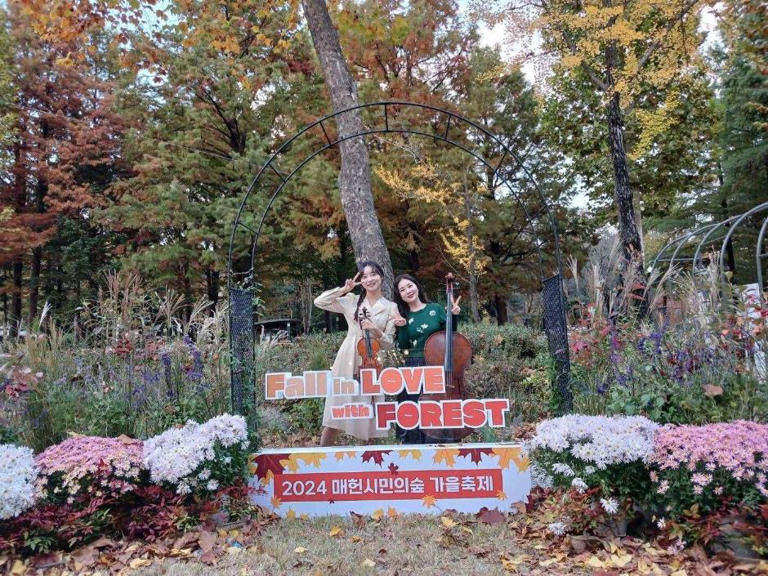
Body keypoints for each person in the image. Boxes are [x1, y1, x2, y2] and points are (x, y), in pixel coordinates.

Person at [314, 261, 398, 446]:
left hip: (372, 360)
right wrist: (344, 289)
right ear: (361, 281)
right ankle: (321, 457)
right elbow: (319, 301)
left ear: (381, 277)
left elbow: (389, 343)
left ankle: (370, 459)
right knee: (336, 408)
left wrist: (376, 330)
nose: (370, 279)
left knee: (371, 410)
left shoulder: (391, 307)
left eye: (374, 274)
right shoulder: (351, 300)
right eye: (365, 276)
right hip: (348, 357)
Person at [392, 273, 461, 444]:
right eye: (402, 290)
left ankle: (443, 447)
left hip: (437, 364)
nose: (408, 291)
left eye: (410, 286)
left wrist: (454, 316)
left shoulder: (435, 309)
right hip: (413, 366)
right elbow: (403, 346)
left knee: (437, 407)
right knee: (415, 409)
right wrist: (402, 327)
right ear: (400, 295)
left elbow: (450, 334)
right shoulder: (403, 316)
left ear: (417, 286)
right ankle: (416, 450)